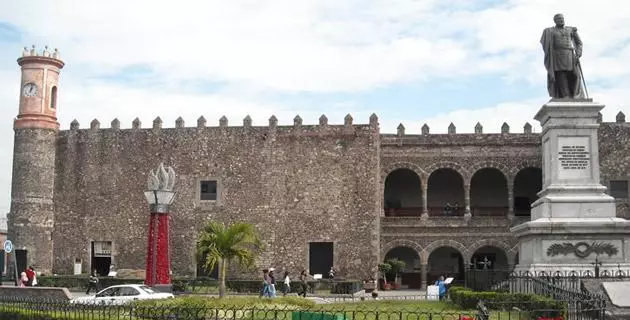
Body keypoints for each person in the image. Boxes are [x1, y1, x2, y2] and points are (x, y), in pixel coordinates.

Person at [540, 13, 586, 99]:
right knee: (561, 75)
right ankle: (566, 95)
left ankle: (575, 94)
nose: (561, 20)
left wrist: (578, 53)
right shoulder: (550, 31)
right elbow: (545, 43)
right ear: (555, 21)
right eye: (559, 19)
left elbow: (579, 43)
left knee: (575, 75)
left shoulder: (570, 30)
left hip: (570, 54)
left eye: (562, 18)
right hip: (557, 56)